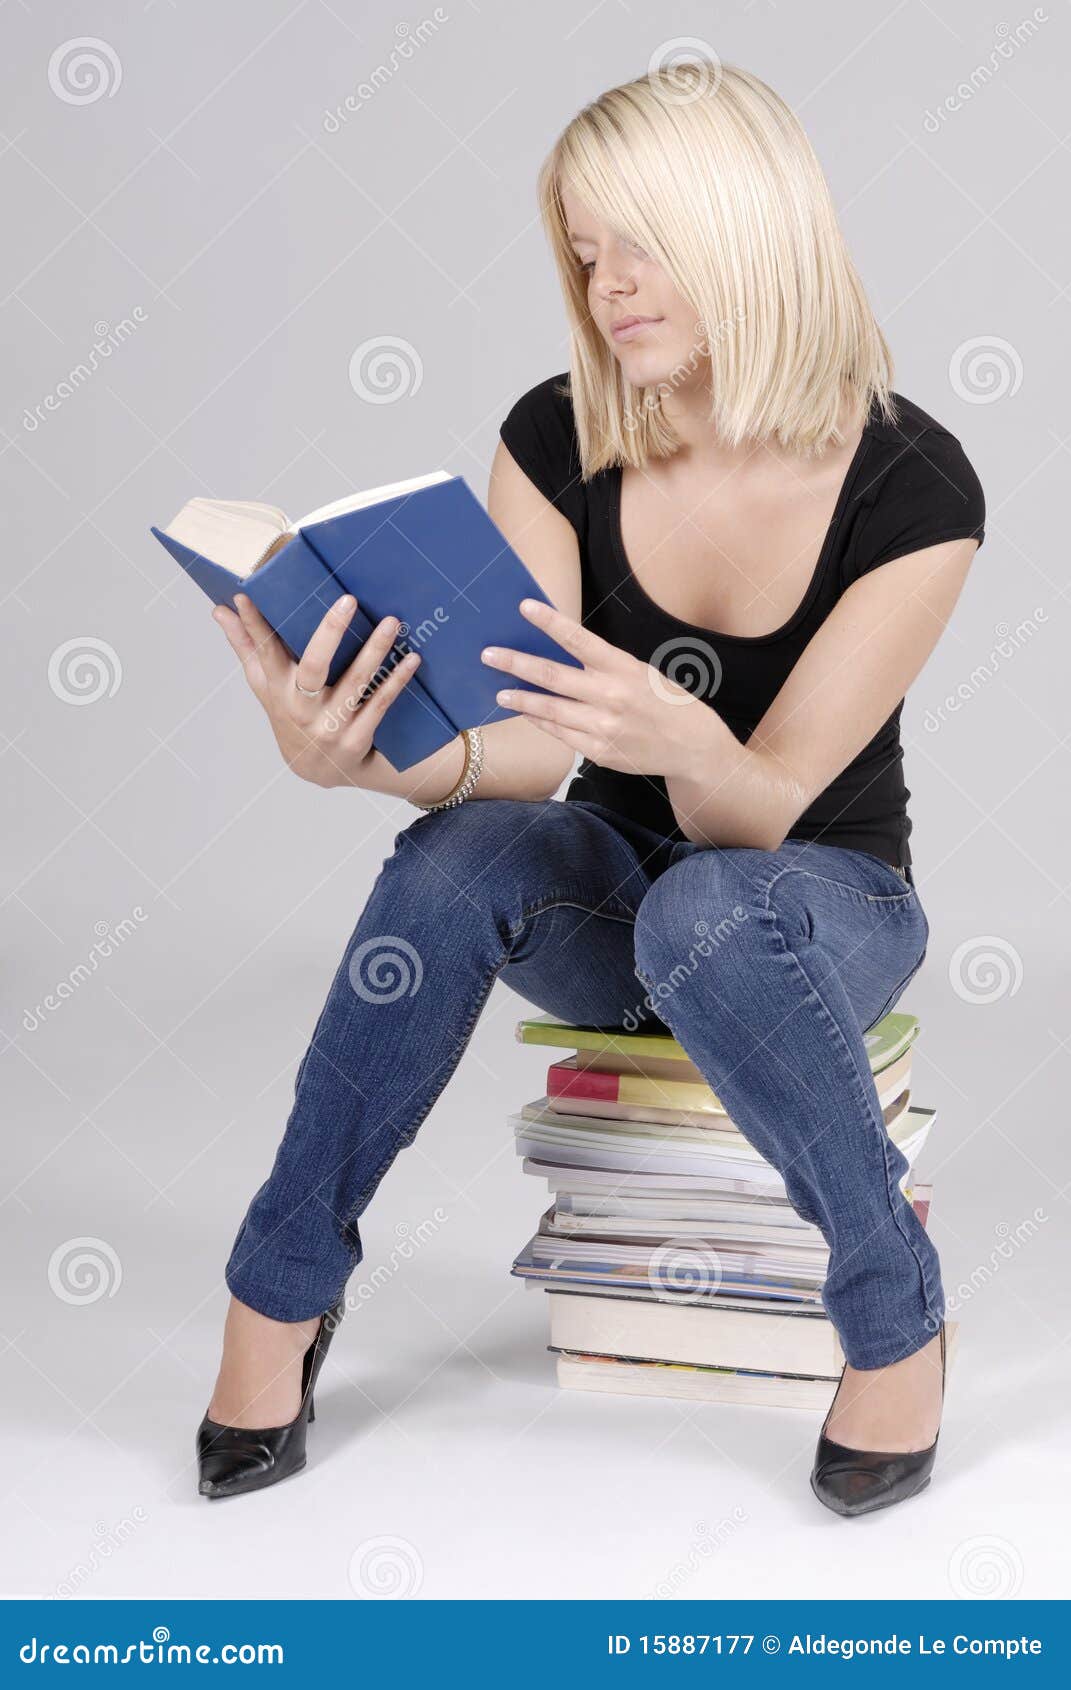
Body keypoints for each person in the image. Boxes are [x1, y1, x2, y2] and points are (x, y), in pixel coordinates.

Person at [197, 61, 984, 1515]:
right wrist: (358, 750)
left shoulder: (917, 484)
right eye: (583, 249)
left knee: (707, 905)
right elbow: (510, 760)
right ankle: (282, 1287)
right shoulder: (556, 437)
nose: (606, 283)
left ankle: (896, 1304)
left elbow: (769, 807)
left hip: (814, 906)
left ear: (746, 225)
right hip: (620, 912)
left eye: (640, 240)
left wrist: (672, 731)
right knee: (454, 854)